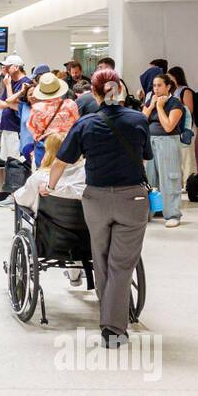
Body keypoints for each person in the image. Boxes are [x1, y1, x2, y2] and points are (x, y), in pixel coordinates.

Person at [41, 69, 151, 347]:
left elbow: (60, 162)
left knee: (100, 260)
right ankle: (114, 328)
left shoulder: (85, 123)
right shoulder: (138, 120)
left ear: (95, 93)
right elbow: (145, 157)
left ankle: (108, 319)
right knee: (122, 263)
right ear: (121, 90)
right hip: (133, 199)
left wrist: (50, 188)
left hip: (96, 199)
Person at [142, 73, 186, 228]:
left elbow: (168, 126)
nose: (156, 89)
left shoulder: (175, 103)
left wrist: (160, 107)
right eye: (154, 86)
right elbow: (141, 119)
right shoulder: (150, 100)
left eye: (159, 85)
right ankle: (148, 212)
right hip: (150, 141)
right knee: (149, 178)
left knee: (169, 178)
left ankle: (173, 214)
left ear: (168, 86)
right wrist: (152, 105)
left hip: (167, 142)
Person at [0, 55, 32, 206]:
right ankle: (13, 193)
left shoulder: (25, 84)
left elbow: (11, 103)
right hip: (8, 127)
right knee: (10, 161)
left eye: (7, 66)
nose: (4, 69)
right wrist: (10, 102)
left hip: (18, 129)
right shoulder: (12, 82)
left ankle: (16, 195)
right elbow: (1, 104)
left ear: (16, 67)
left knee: (16, 162)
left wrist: (9, 91)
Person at [24, 71, 80, 167]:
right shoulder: (71, 104)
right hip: (68, 147)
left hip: (46, 149)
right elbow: (76, 123)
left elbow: (32, 129)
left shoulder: (37, 108)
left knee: (45, 177)